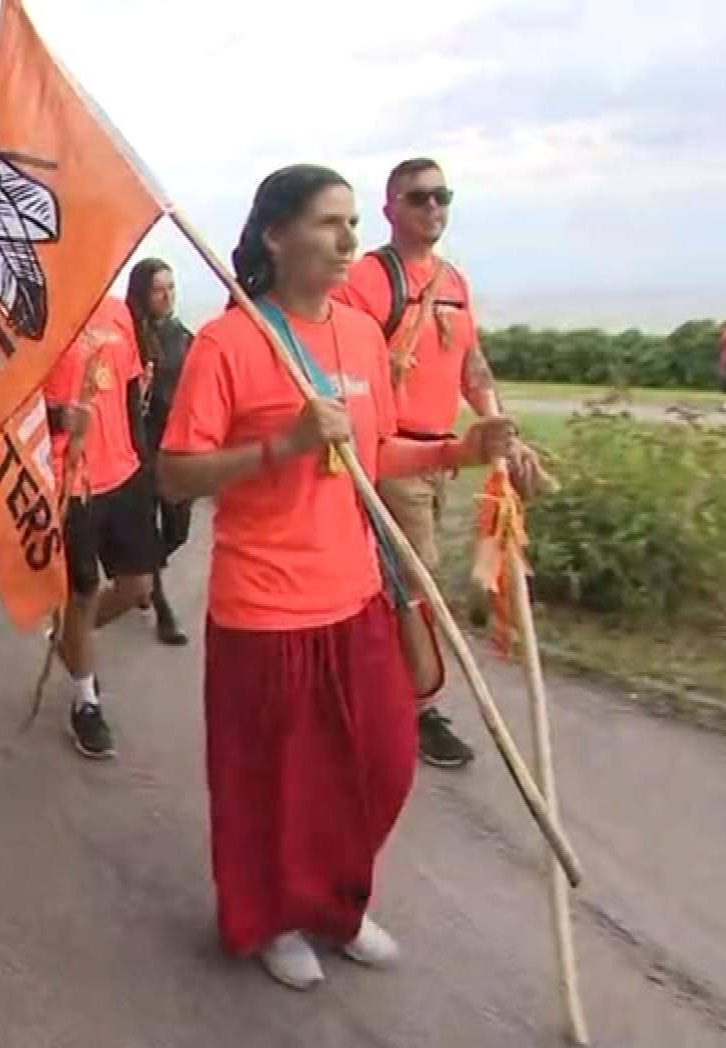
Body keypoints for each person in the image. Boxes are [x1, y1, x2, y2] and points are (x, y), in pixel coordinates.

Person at [158, 164, 514, 991]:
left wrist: (462, 448)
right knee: (271, 782)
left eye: (353, 221)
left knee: (382, 761)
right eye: (328, 222)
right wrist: (281, 445)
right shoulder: (230, 341)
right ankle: (274, 915)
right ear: (277, 235)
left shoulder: (359, 336)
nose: (349, 238)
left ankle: (336, 902)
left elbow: (375, 453)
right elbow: (176, 476)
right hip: (264, 607)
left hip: (354, 596)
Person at [332, 157, 542, 770]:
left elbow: (472, 367)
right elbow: (341, 357)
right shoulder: (371, 279)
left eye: (441, 196)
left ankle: (374, 684)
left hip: (443, 454)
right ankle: (418, 706)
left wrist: (501, 426)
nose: (433, 208)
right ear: (390, 208)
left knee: (398, 581)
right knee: (416, 578)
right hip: (391, 454)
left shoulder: (453, 282)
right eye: (418, 198)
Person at [44, 294, 161, 760]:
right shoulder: (42, 314)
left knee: (137, 586)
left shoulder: (116, 311)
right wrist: (58, 417)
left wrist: (144, 458)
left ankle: (71, 641)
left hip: (124, 471)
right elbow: (11, 399)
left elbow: (131, 390)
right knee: (85, 590)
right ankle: (86, 699)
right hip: (70, 476)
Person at [127, 258, 195, 646]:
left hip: (177, 446)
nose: (167, 296)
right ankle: (163, 610)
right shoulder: (128, 337)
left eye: (171, 287)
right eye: (158, 289)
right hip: (137, 448)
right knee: (147, 529)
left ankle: (145, 570)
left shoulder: (185, 338)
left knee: (177, 529)